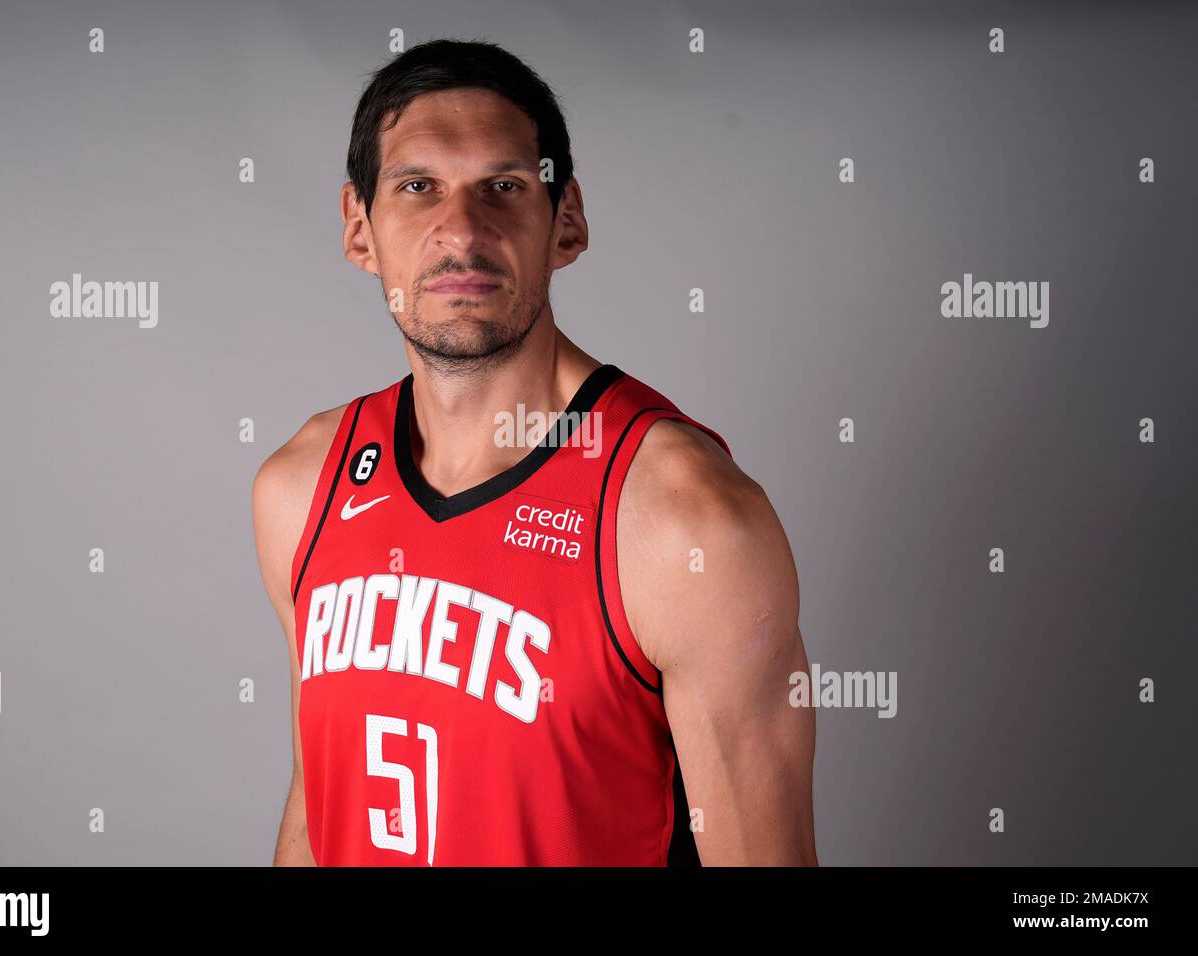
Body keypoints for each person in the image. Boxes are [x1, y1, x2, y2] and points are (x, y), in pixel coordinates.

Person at [251, 38, 817, 866]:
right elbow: (319, 801)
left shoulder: (684, 523)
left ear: (568, 221)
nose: (461, 231)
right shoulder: (302, 486)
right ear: (359, 229)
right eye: (418, 189)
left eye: (505, 188)